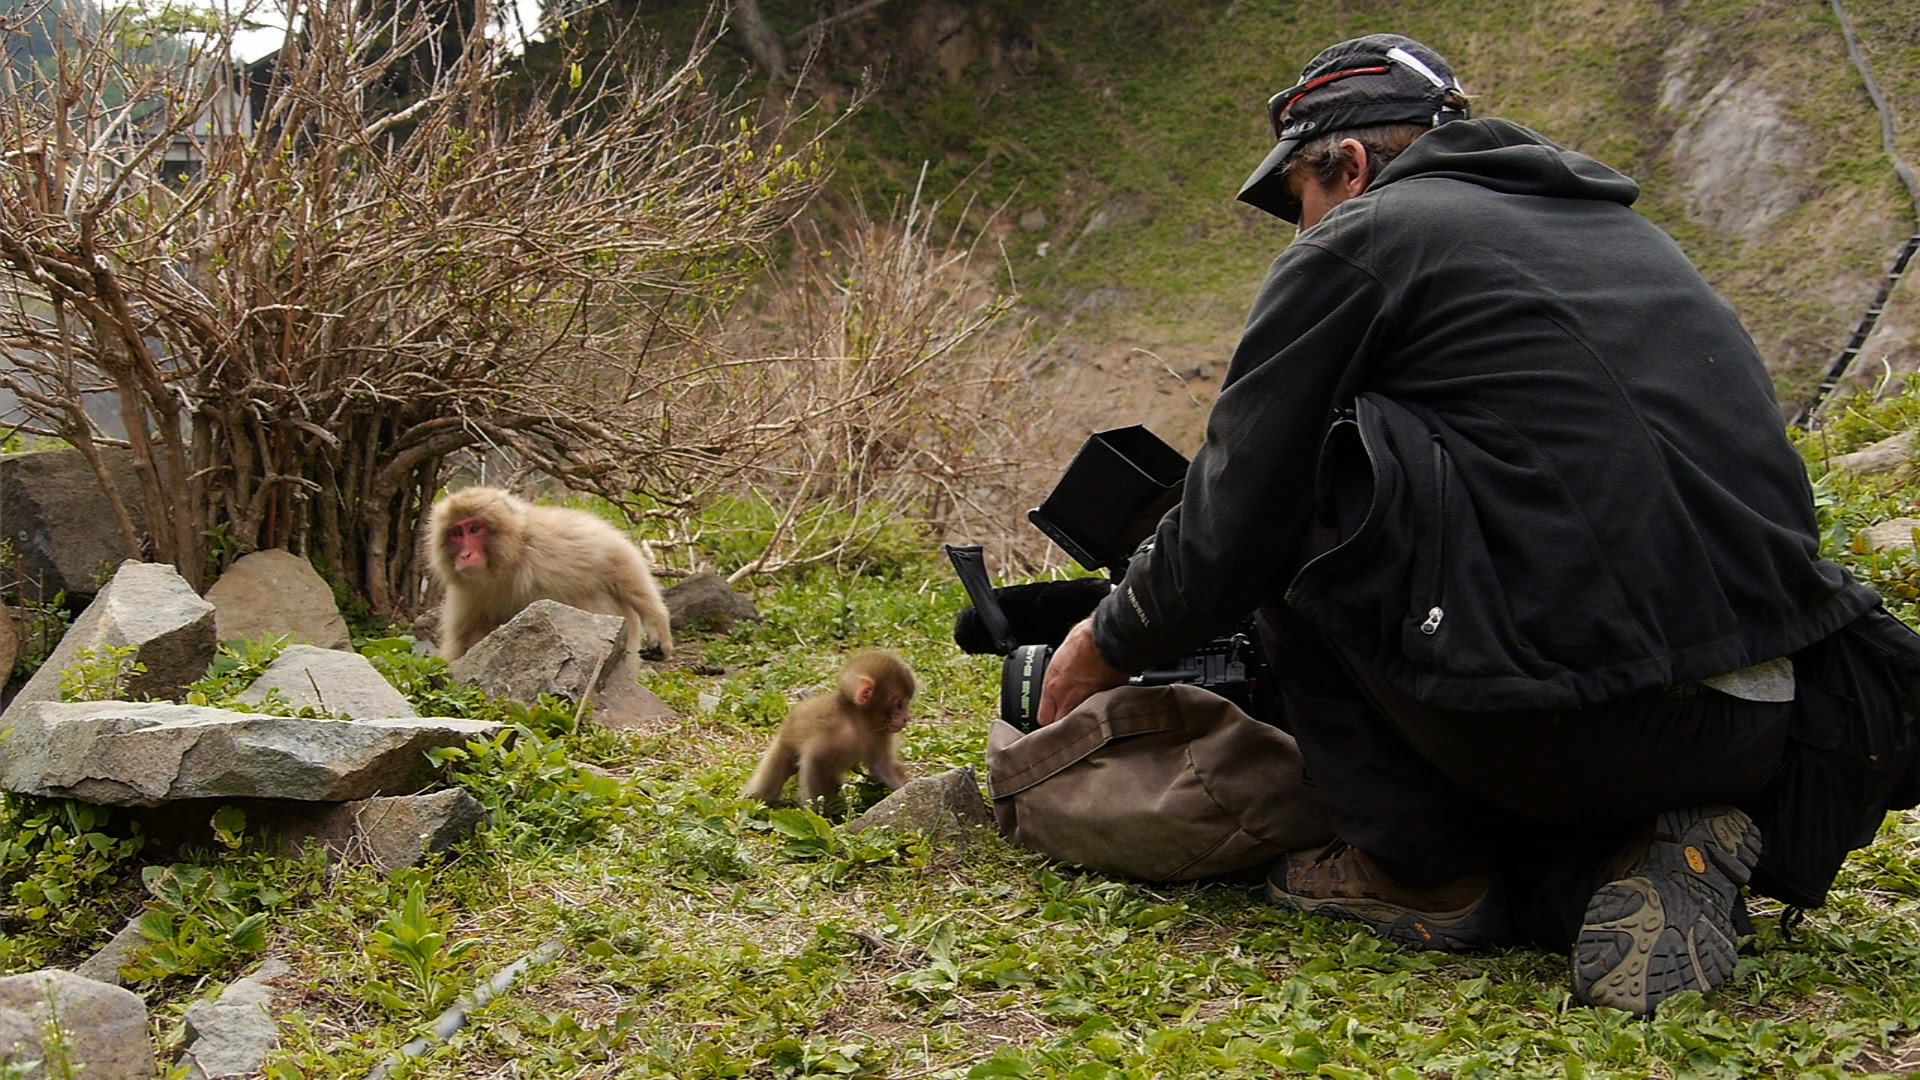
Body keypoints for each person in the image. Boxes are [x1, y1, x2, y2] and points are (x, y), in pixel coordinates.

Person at [1033, 32, 1920, 1016]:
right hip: (1771, 716)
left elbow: (1232, 518)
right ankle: (1629, 862)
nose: (1299, 232)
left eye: (1298, 200)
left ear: (1350, 164)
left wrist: (1101, 642)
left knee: (1308, 476)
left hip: (1582, 725)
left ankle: (1420, 870)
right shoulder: (1631, 237)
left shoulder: (1364, 237)